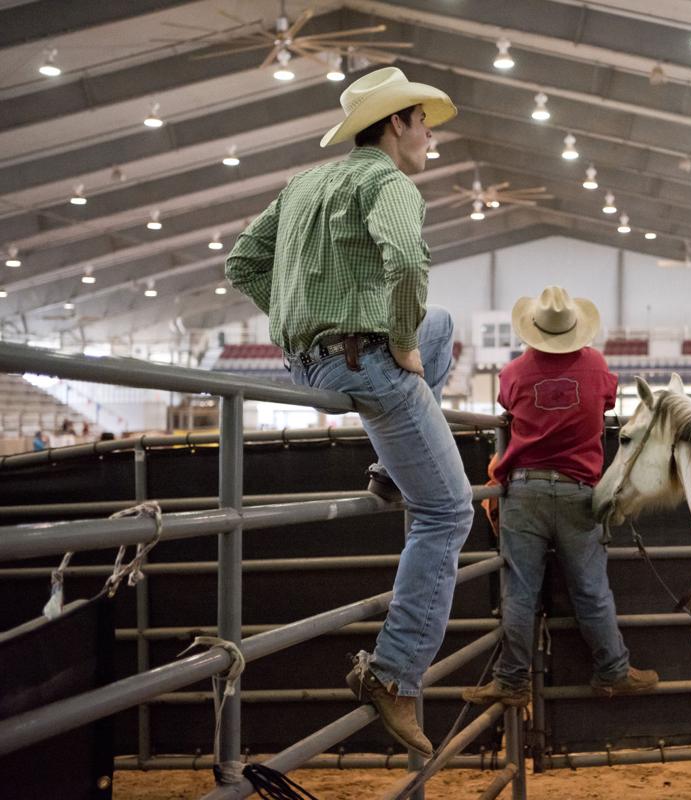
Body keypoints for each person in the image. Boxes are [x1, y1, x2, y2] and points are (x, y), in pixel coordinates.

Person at [225, 67, 469, 757]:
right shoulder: (388, 184)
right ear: (396, 124)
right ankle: (392, 674)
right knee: (448, 513)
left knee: (442, 325)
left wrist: (299, 319)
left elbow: (243, 263)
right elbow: (407, 267)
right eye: (423, 122)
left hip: (310, 362)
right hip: (367, 362)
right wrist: (398, 343)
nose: (429, 136)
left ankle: (392, 467)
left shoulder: (305, 183)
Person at [460, 286, 659, 707]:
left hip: (525, 490)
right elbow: (606, 401)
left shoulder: (513, 373)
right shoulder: (597, 366)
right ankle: (613, 669)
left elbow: (508, 406)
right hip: (578, 491)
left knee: (520, 590)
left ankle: (512, 679)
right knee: (590, 589)